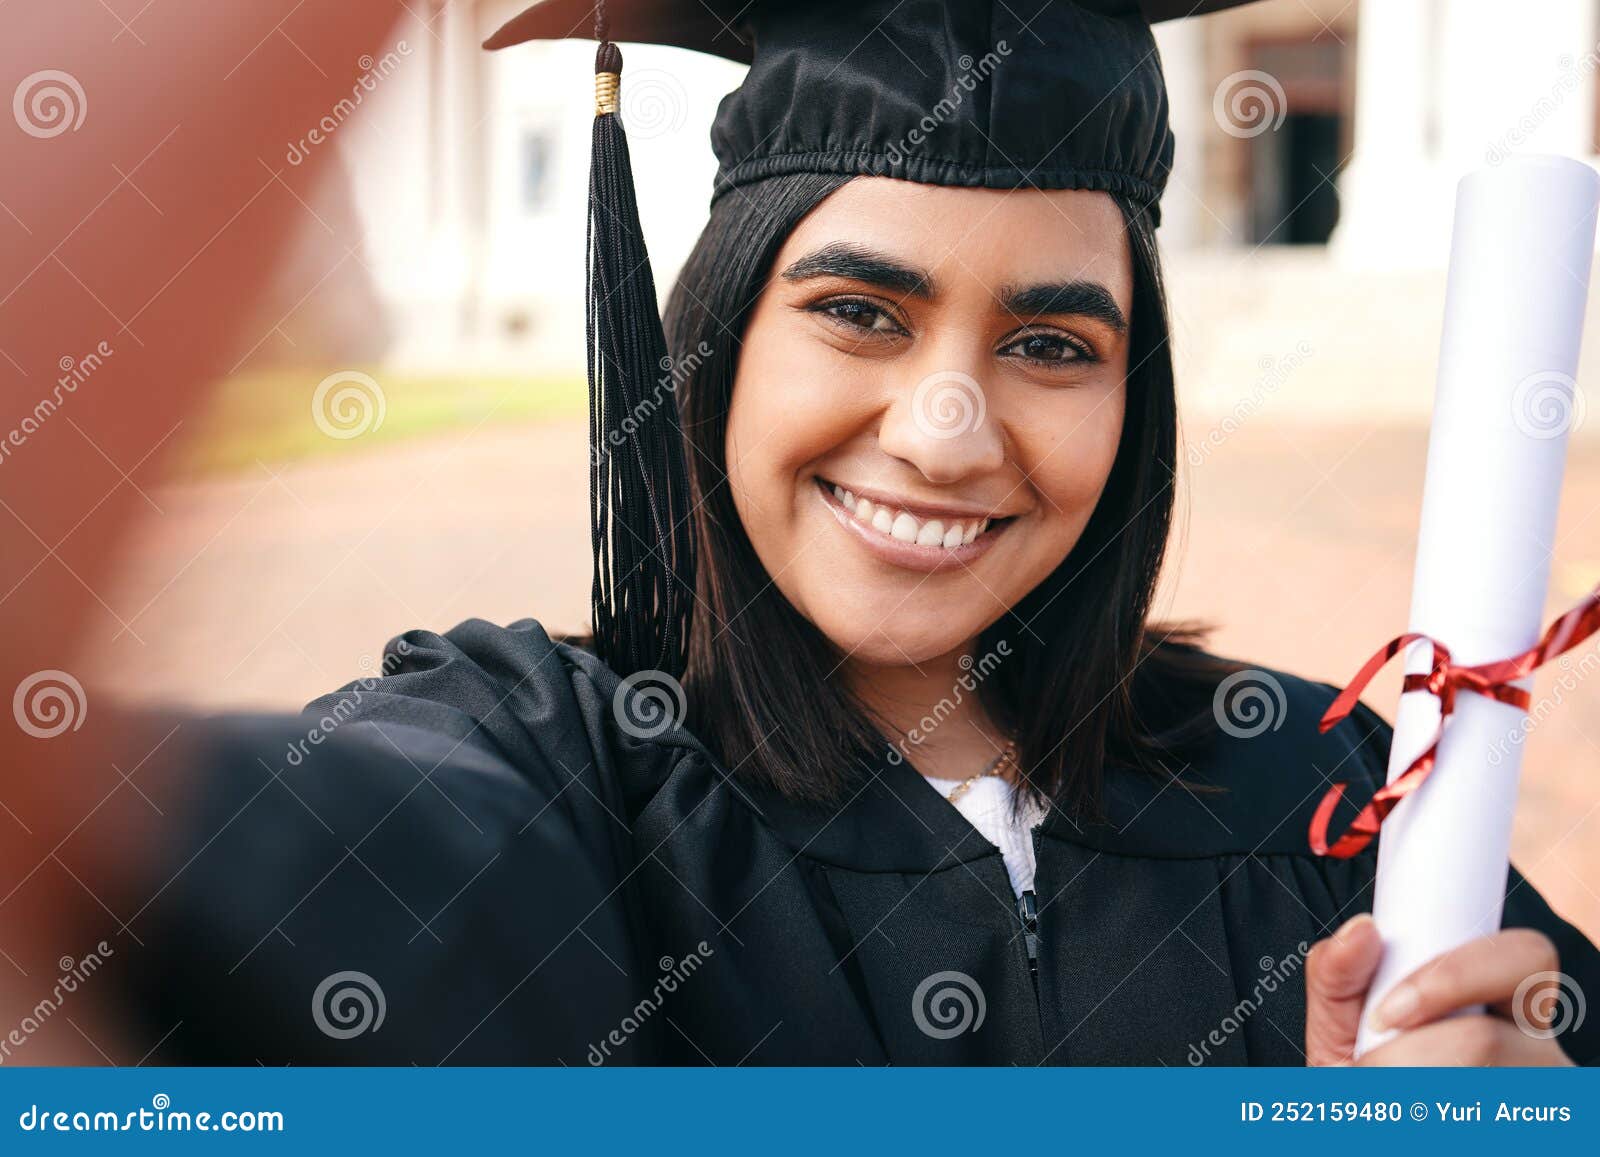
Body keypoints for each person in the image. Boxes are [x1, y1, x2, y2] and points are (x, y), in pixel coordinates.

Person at [118, 0, 1598, 1065]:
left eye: (1054, 343)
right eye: (858, 312)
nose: (946, 429)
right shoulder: (559, 773)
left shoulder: (1318, 789)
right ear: (712, 344)